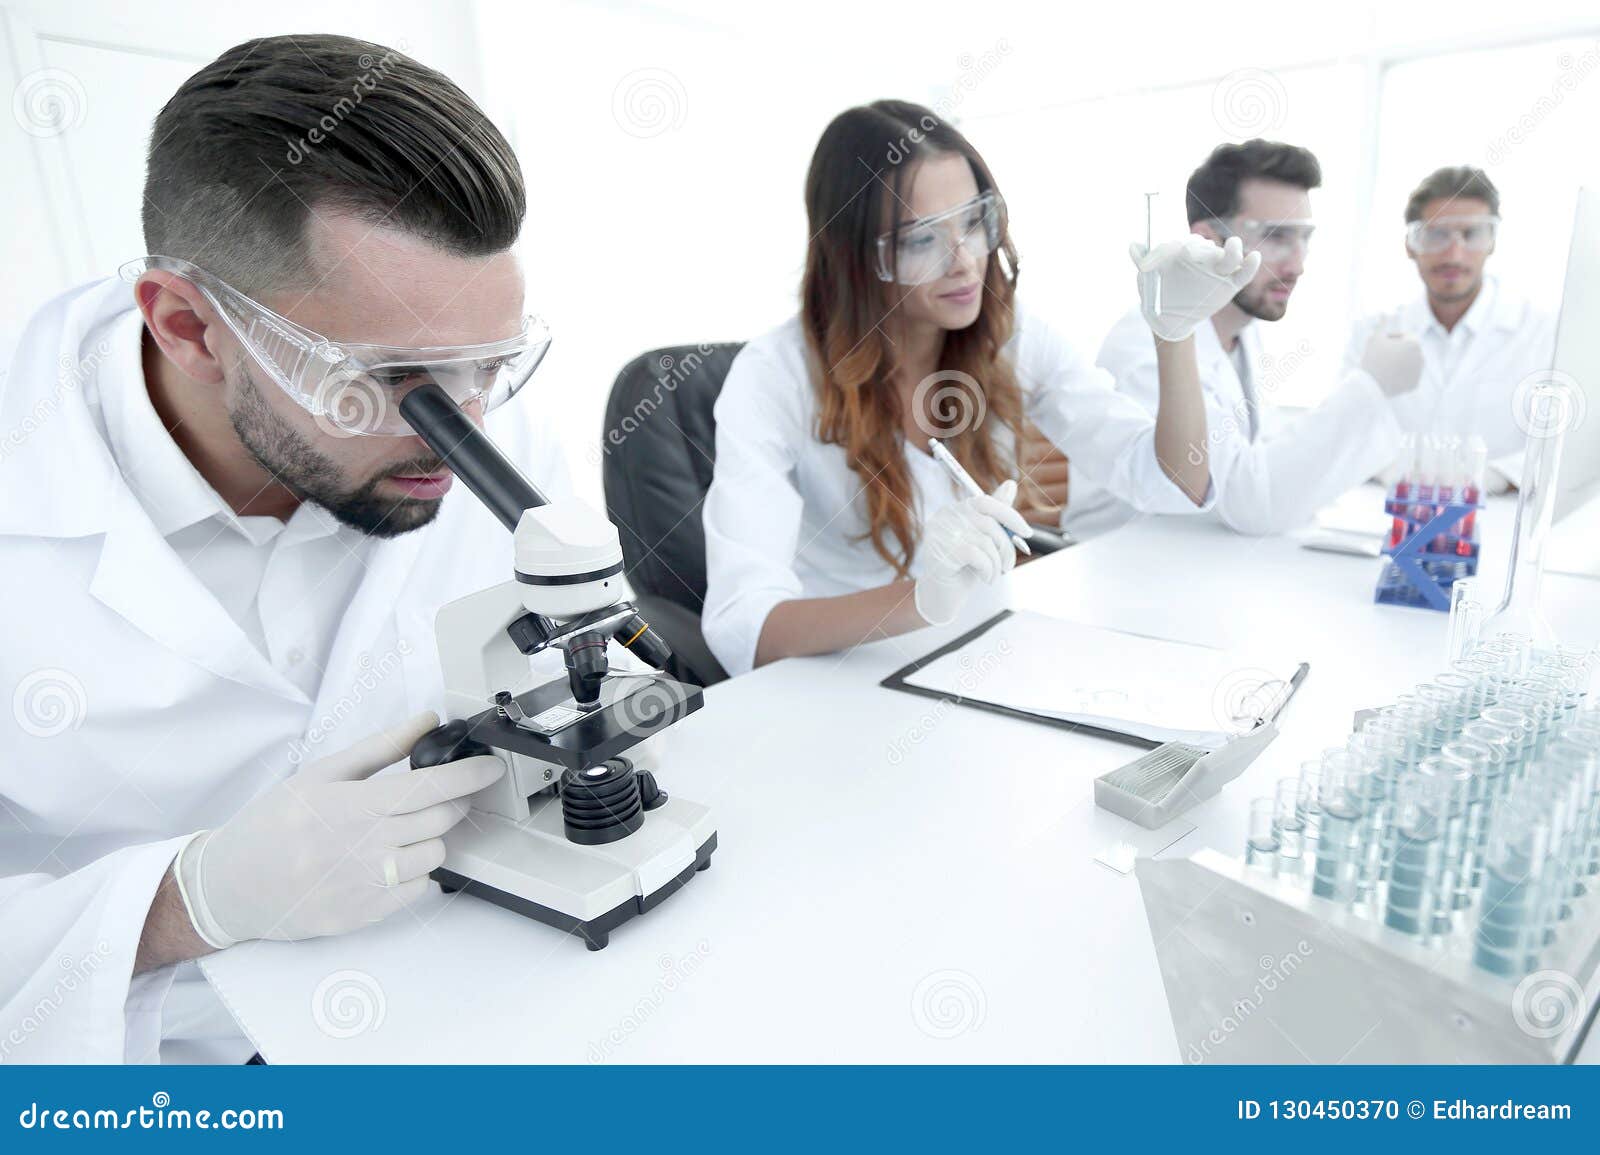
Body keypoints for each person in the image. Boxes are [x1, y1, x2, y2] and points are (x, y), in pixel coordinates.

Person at [0, 35, 615, 1063]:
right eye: (395, 377)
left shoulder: (483, 432)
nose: (463, 430)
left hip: (464, 1003)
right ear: (188, 326)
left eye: (488, 366)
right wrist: (185, 902)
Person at [700, 101, 1260, 676]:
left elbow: (1172, 483)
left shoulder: (1010, 335)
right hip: (828, 679)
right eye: (921, 239)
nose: (964, 261)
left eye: (973, 221)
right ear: (851, 255)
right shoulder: (774, 375)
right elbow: (746, 626)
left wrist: (1177, 335)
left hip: (975, 665)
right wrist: (920, 600)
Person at [1081, 140, 1424, 538]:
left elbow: (1259, 462)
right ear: (1208, 241)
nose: (1297, 264)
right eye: (1276, 237)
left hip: (1205, 559)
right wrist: (1370, 386)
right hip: (1123, 564)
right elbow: (1249, 502)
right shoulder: (1146, 344)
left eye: (1304, 238)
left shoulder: (1243, 331)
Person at [1343, 166, 1556, 489]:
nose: (1454, 254)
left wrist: (1483, 480)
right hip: (1387, 516)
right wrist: (1400, 476)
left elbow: (1564, 449)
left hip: (1498, 520)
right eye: (1436, 234)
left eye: (1471, 235)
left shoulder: (1543, 333)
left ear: (1491, 242)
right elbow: (1347, 433)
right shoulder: (1373, 333)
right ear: (1410, 244)